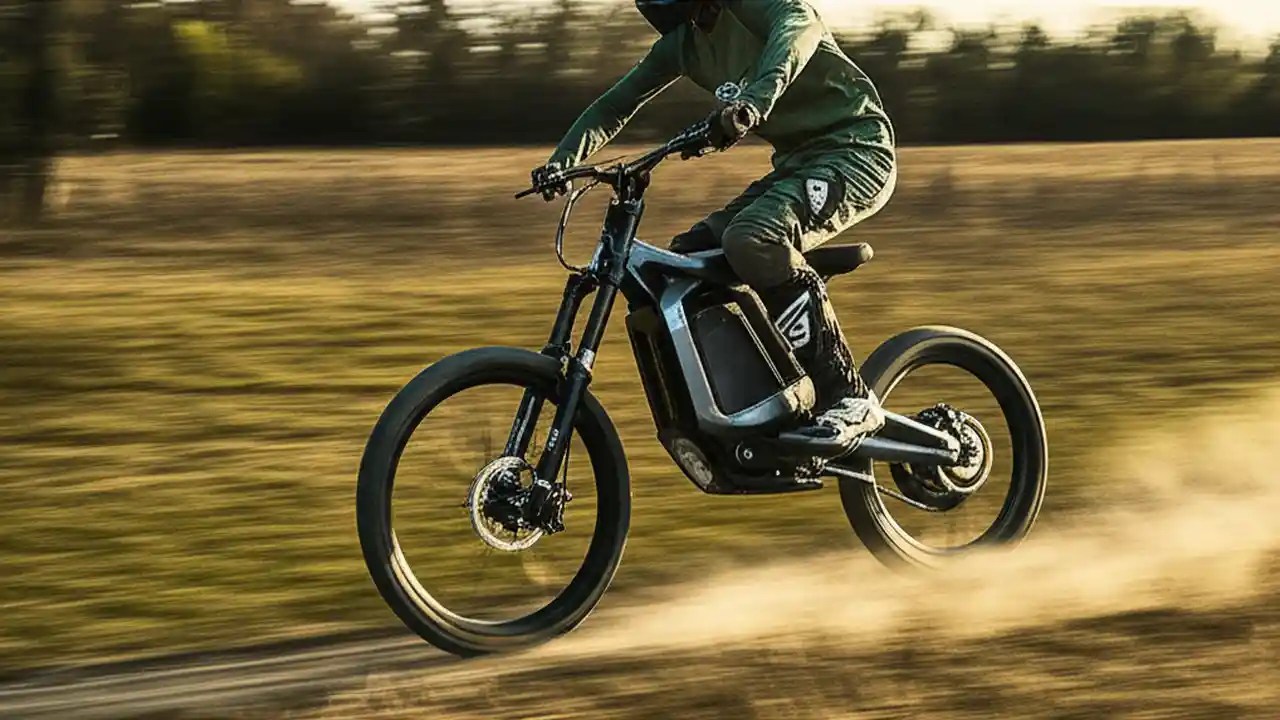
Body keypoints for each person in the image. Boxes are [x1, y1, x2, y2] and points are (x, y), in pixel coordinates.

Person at [534, 0, 897, 455]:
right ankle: (752, 408)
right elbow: (615, 105)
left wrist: (753, 103)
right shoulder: (683, 46)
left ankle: (848, 395)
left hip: (855, 151)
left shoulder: (756, 9)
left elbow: (797, 32)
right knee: (679, 266)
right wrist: (562, 163)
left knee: (752, 238)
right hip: (795, 166)